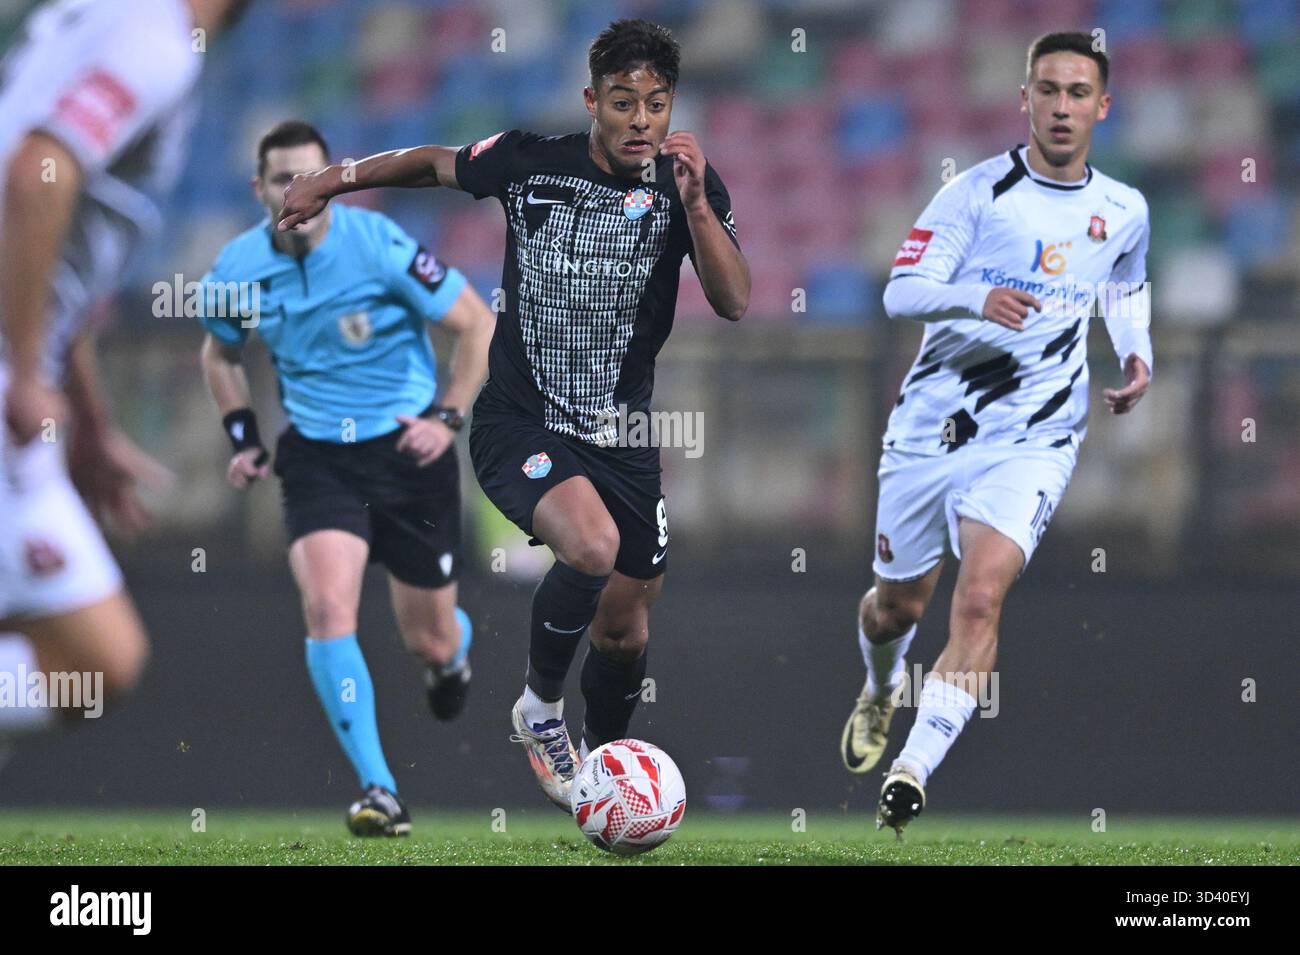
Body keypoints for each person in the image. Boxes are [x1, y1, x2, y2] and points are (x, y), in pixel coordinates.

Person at [277, 18, 750, 810]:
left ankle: (605, 772)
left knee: (626, 625)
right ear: (592, 100)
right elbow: (434, 163)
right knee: (592, 548)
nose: (641, 121)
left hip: (622, 435)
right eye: (625, 102)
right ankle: (538, 708)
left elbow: (735, 301)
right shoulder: (532, 161)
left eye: (657, 104)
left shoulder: (685, 187)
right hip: (518, 422)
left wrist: (699, 207)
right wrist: (334, 177)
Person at [839, 32, 1153, 836]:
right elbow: (899, 292)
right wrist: (975, 296)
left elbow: (1124, 284)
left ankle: (912, 768)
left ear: (1101, 107)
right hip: (931, 427)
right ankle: (880, 687)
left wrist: (1137, 350)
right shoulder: (974, 194)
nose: (1060, 106)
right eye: (1046, 90)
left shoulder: (1123, 210)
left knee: (979, 596)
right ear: (1024, 99)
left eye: (1077, 93)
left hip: (1036, 432)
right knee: (894, 607)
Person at [198, 120, 493, 836]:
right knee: (329, 609)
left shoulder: (378, 246)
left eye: (309, 177)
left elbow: (477, 324)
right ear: (259, 190)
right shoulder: (236, 270)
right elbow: (221, 355)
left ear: (331, 179)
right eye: (281, 180)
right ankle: (380, 788)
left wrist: (446, 418)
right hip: (318, 457)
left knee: (429, 640)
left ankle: (450, 654)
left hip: (408, 453)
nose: (297, 192)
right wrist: (243, 435)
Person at [0, 0, 248, 762]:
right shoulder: (155, 36)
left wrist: (86, 413)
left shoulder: (94, 20)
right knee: (92, 659)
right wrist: (25, 368)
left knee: (82, 654)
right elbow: (37, 178)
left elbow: (45, 241)